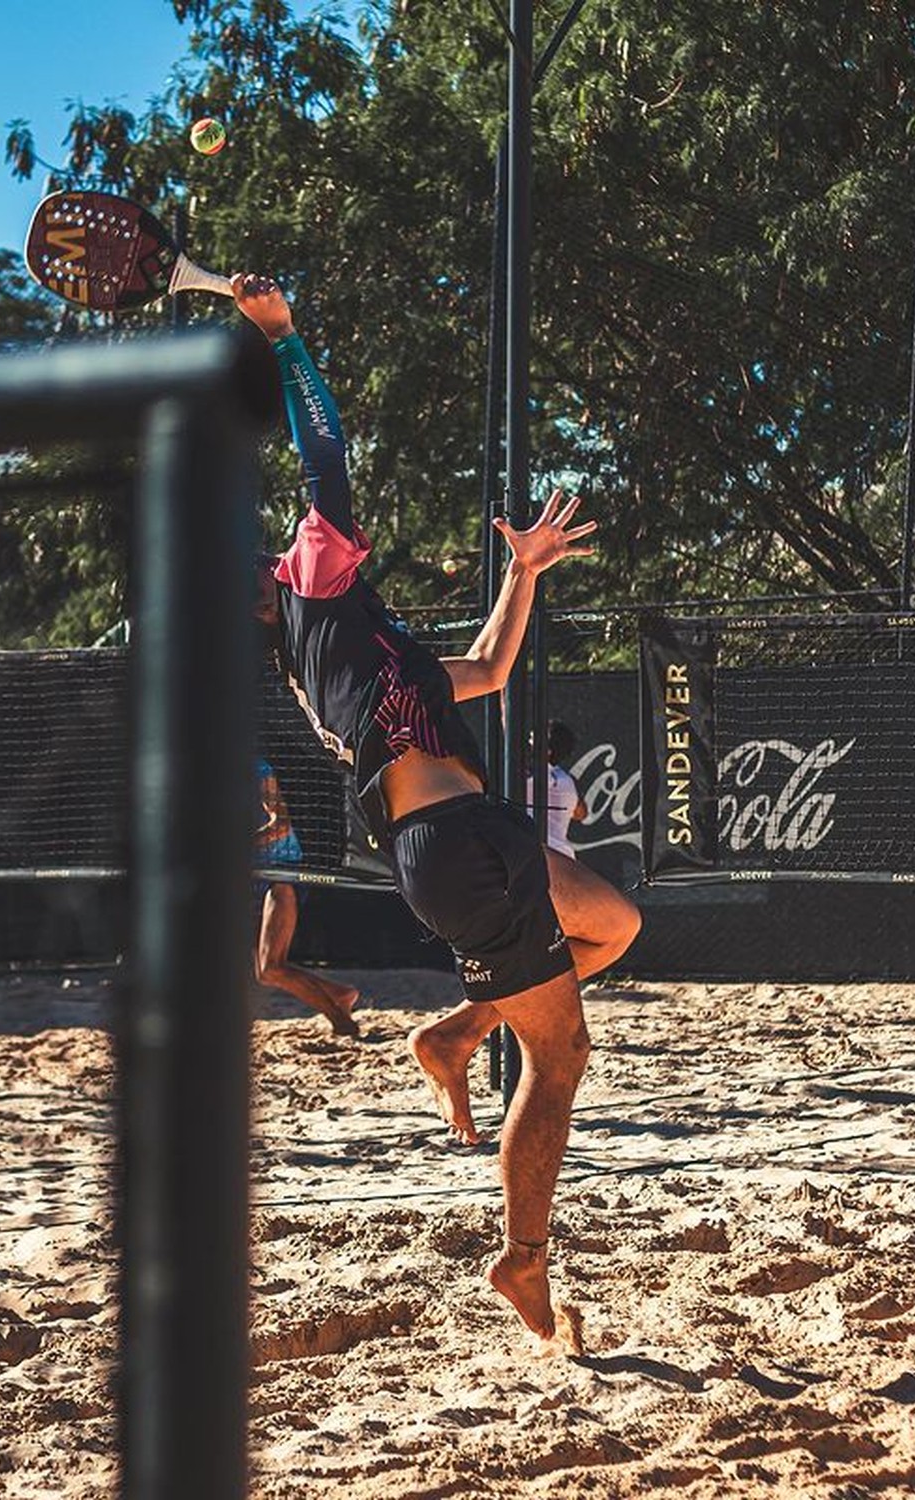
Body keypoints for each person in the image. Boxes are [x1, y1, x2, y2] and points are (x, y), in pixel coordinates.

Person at [233, 271, 641, 1341]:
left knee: (614, 924)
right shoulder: (313, 588)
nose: (295, 538)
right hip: (450, 851)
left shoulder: (353, 653)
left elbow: (492, 669)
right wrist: (284, 339)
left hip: (473, 833)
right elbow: (325, 459)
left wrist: (526, 571)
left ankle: (456, 1036)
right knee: (560, 1057)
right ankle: (521, 1259)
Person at [254, 757, 361, 1039]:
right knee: (265, 969)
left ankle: (342, 1021)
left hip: (283, 873)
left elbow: (281, 825)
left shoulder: (257, 769)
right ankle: (339, 993)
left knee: (271, 969)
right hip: (257, 876)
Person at [525, 721, 589, 860]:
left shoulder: (540, 774)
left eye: (531, 740)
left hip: (543, 859)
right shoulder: (568, 780)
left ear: (547, 751)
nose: (527, 743)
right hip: (563, 860)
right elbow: (581, 813)